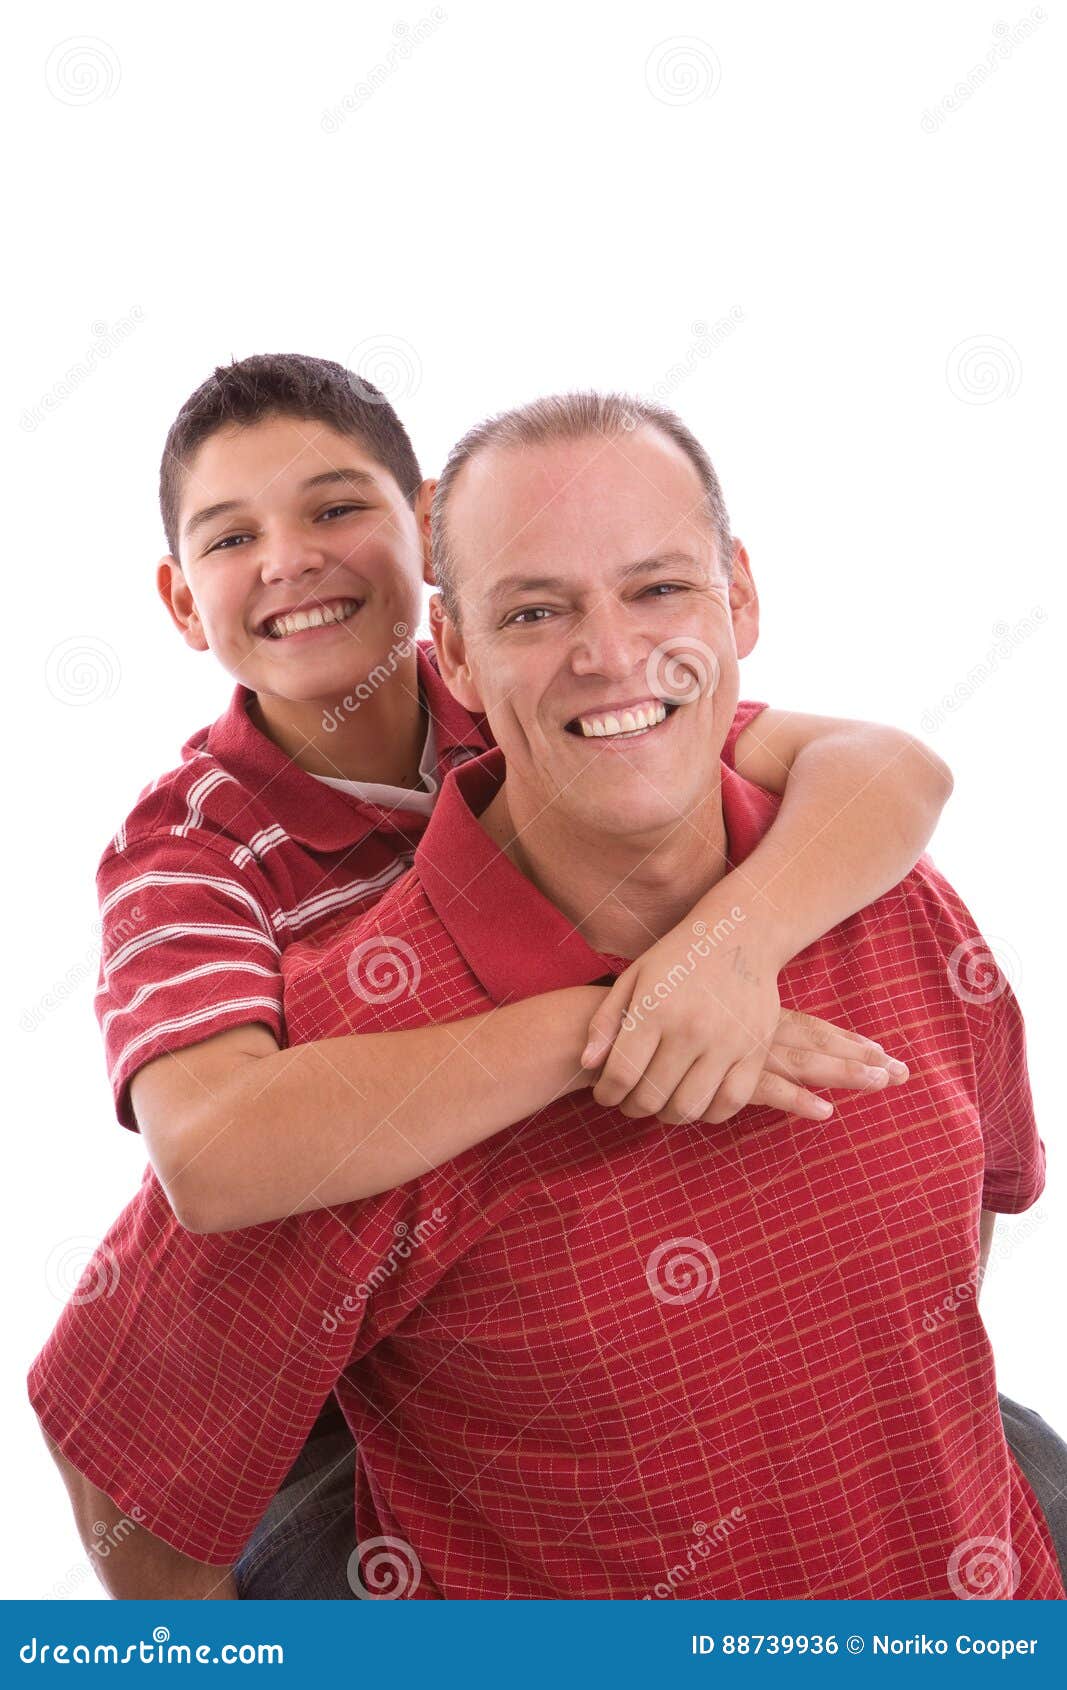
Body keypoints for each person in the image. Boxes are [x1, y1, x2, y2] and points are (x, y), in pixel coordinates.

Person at [31, 392, 1064, 1599]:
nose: (290, 561)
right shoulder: (195, 861)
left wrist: (722, 952)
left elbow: (891, 769)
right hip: (347, 1375)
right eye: (228, 537)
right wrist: (622, 1024)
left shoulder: (657, 749)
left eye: (334, 508)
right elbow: (210, 1156)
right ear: (463, 634)